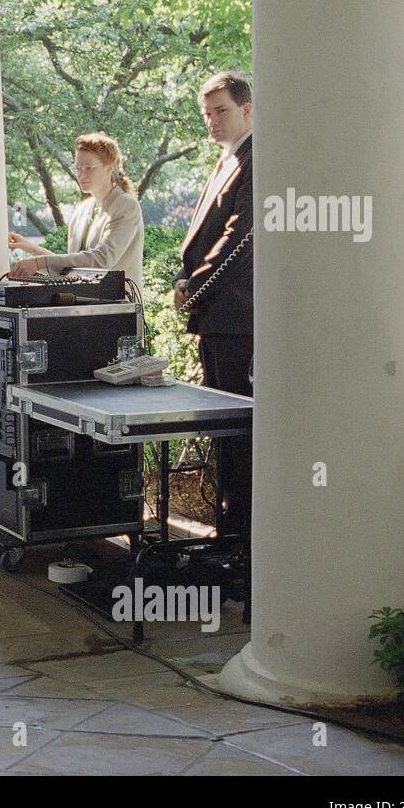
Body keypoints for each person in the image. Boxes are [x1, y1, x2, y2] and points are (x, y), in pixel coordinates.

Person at [173, 71, 254, 547]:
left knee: (237, 431)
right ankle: (230, 528)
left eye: (221, 110)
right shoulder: (229, 158)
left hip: (237, 319)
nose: (212, 121)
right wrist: (186, 280)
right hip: (217, 316)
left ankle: (240, 537)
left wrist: (195, 285)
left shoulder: (258, 156)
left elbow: (240, 234)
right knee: (224, 432)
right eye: (206, 113)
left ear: (247, 108)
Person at [9, 132, 144, 289]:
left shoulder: (126, 205)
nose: (81, 175)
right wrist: (31, 248)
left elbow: (101, 261)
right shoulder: (82, 210)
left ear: (110, 167)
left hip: (120, 310)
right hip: (81, 309)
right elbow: (71, 271)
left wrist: (40, 262)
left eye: (88, 168)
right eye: (77, 168)